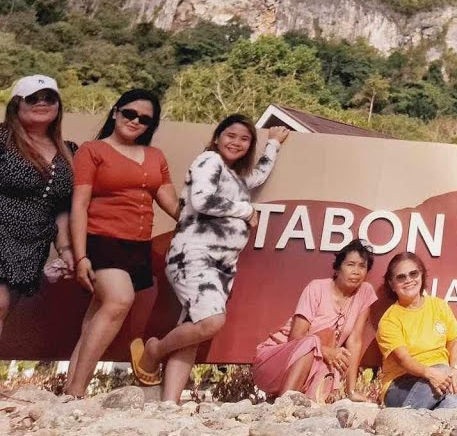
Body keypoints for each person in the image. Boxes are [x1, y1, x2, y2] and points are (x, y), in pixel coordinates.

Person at [131, 115, 290, 400]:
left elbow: (258, 176)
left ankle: (169, 402)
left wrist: (273, 145)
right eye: (230, 135)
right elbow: (202, 200)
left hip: (223, 266)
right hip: (194, 254)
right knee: (211, 321)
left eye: (244, 139)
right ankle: (153, 350)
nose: (236, 142)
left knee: (194, 330)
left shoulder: (237, 177)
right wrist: (245, 211)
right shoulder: (209, 161)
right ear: (217, 137)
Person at [64, 89, 180, 398]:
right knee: (119, 300)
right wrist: (80, 257)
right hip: (101, 240)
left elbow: (173, 205)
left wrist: (215, 217)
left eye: (145, 119)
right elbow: (79, 205)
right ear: (116, 112)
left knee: (96, 315)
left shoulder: (155, 157)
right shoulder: (92, 150)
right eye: (130, 113)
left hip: (137, 245)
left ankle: (68, 392)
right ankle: (77, 392)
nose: (135, 121)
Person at [253, 240, 378, 402]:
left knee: (331, 369)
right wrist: (327, 351)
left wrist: (351, 390)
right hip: (275, 362)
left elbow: (354, 342)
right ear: (338, 268)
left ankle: (301, 410)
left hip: (316, 364)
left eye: (362, 266)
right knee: (311, 342)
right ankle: (283, 406)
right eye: (350, 264)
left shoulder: (365, 292)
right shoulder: (317, 288)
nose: (356, 271)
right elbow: (297, 336)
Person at [0, 76, 77, 339]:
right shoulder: (1, 137)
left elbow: (62, 208)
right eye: (33, 98)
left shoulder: (69, 152)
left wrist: (65, 248)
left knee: (4, 312)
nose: (42, 103)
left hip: (33, 245)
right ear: (16, 105)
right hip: (1, 231)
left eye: (50, 98)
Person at [376, 252, 457, 409]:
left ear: (422, 275)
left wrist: (455, 369)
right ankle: (405, 418)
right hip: (401, 385)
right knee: (444, 377)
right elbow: (404, 360)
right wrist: (432, 374)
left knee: (452, 403)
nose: (408, 280)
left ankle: (421, 427)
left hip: (441, 379)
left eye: (413, 273)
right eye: (401, 277)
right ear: (391, 284)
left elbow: (454, 342)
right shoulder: (390, 320)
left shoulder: (439, 306)